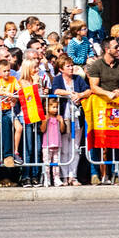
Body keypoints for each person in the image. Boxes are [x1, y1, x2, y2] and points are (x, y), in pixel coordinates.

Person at [85, 36, 119, 185]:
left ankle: (115, 172)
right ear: (107, 49)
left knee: (115, 140)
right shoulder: (96, 65)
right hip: (99, 105)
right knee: (97, 140)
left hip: (116, 106)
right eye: (116, 47)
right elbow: (94, 86)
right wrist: (107, 93)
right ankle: (95, 173)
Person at [49, 53, 87, 186]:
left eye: (72, 66)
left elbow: (88, 90)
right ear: (61, 68)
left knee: (75, 147)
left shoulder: (78, 79)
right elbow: (56, 90)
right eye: (68, 66)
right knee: (64, 147)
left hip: (77, 117)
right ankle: (64, 175)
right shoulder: (58, 79)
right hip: (64, 116)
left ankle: (73, 175)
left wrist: (80, 94)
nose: (71, 68)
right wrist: (69, 93)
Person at [40, 98, 67, 186]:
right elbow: (42, 130)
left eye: (56, 107)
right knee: (47, 163)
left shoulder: (59, 118)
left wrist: (62, 121)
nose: (55, 109)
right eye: (53, 107)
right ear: (46, 108)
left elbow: (62, 130)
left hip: (57, 144)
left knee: (56, 163)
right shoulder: (45, 117)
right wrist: (45, 121)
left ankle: (56, 179)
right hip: (47, 144)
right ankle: (46, 179)